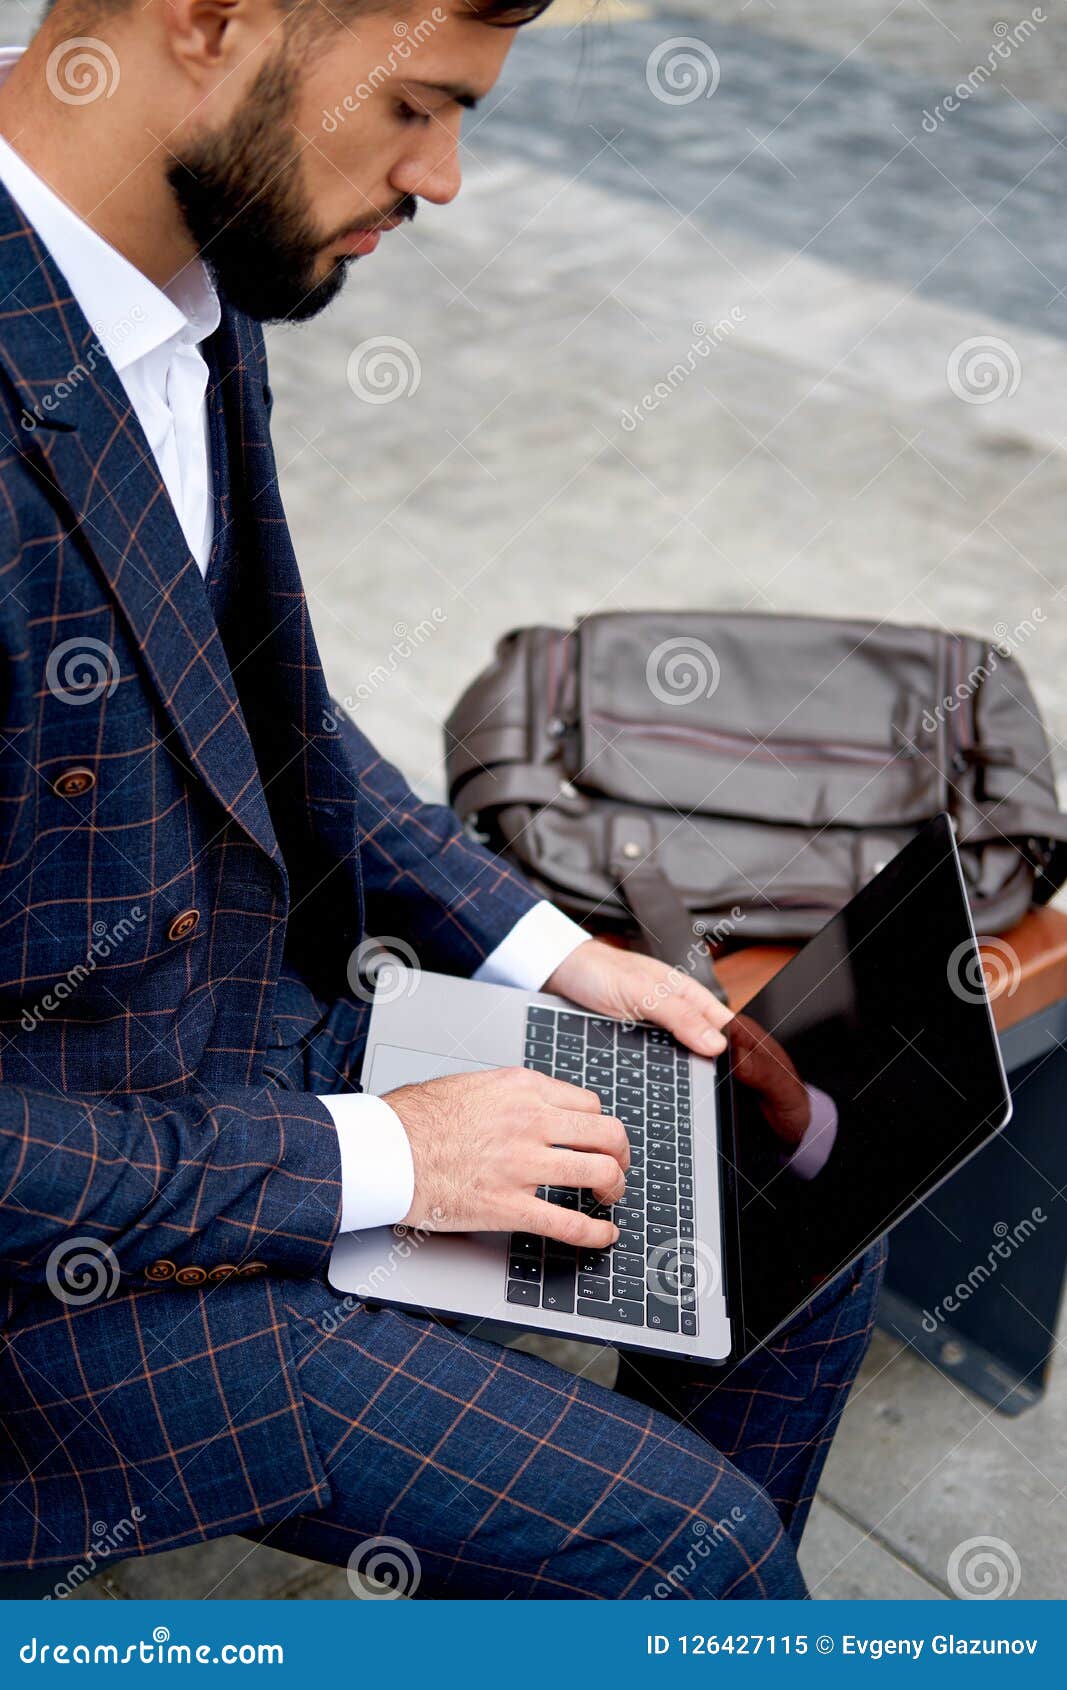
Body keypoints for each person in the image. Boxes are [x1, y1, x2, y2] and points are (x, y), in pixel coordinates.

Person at [0, 0, 882, 1597]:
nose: (445, 176)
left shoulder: (187, 272)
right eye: (416, 107)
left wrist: (550, 949)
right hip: (66, 1268)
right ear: (210, 20)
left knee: (803, 1207)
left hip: (244, 1057)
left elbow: (252, 707)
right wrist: (384, 1160)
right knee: (693, 1549)